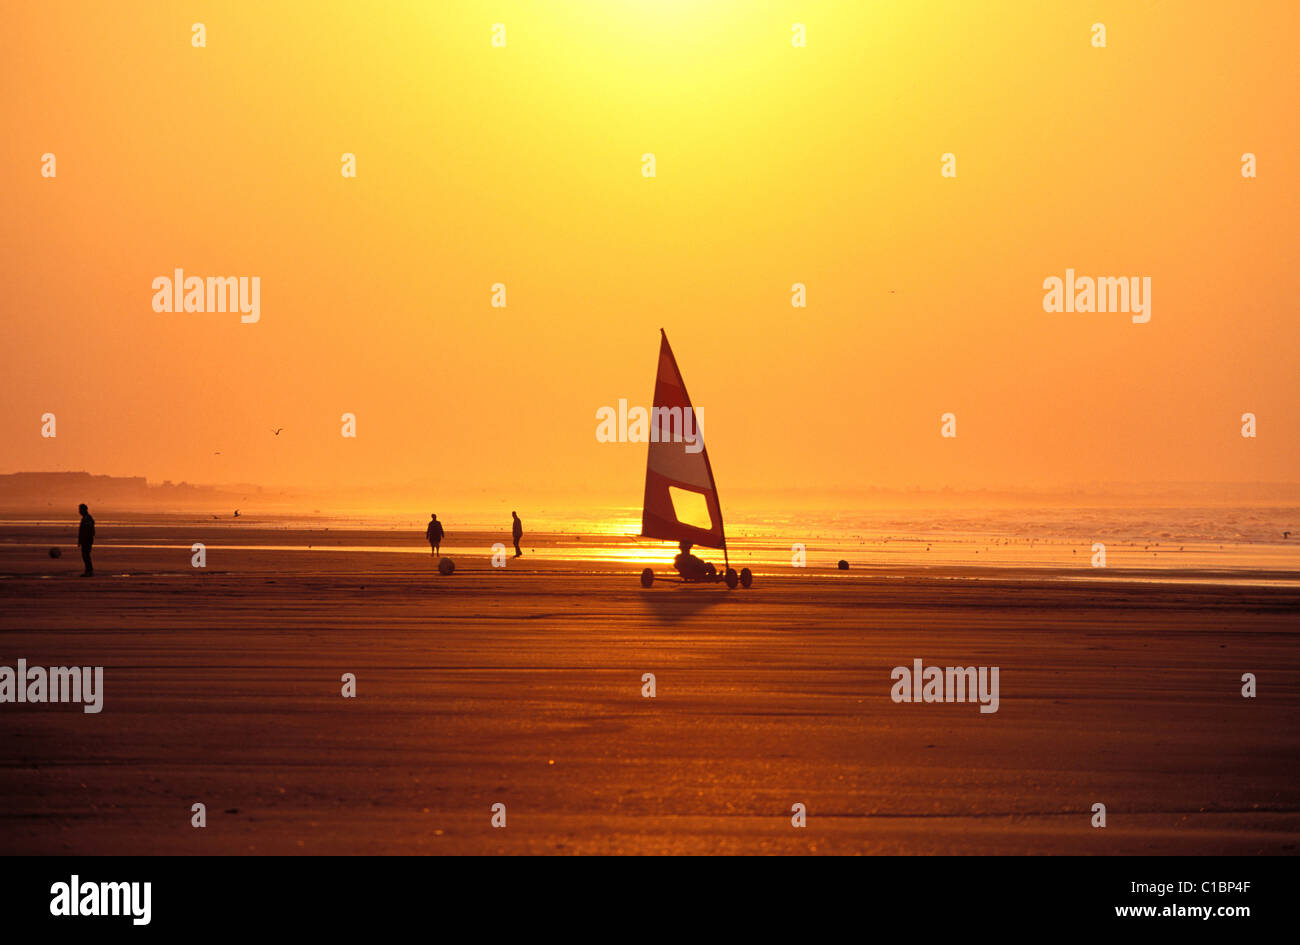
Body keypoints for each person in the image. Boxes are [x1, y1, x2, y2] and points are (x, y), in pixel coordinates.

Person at [76, 503, 95, 577]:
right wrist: (80, 541)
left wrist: (87, 539)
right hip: (85, 540)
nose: (79, 511)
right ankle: (88, 570)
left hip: (87, 540)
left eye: (80, 510)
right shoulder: (85, 518)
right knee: (85, 556)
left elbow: (89, 531)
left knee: (86, 555)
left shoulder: (88, 518)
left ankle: (89, 571)